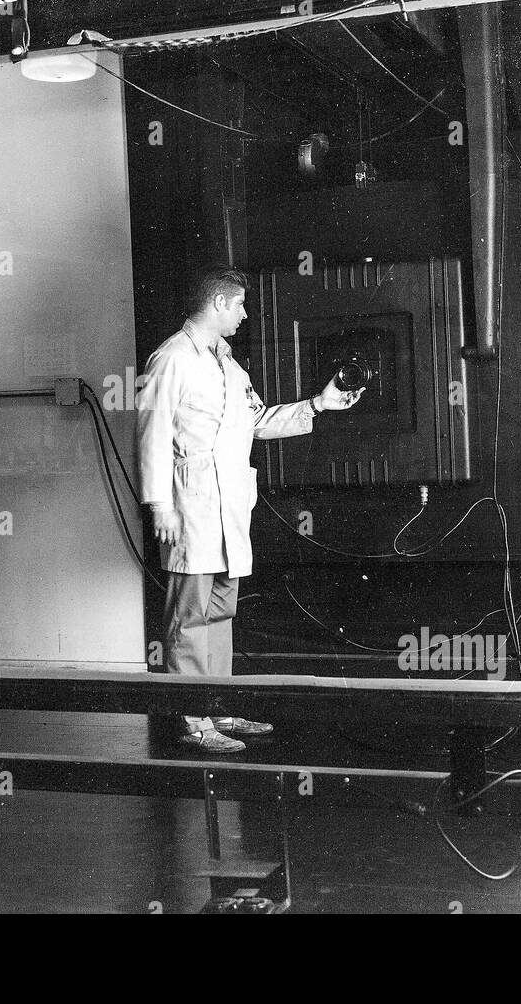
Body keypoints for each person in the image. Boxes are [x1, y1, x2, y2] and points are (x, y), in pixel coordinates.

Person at [137, 266, 363, 754]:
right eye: (239, 304)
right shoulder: (172, 358)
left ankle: (218, 704)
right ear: (218, 302)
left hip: (229, 509)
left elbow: (257, 421)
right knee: (190, 616)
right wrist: (159, 506)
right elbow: (151, 435)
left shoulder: (229, 366)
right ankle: (193, 719)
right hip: (190, 508)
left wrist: (319, 406)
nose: (244, 313)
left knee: (220, 611)